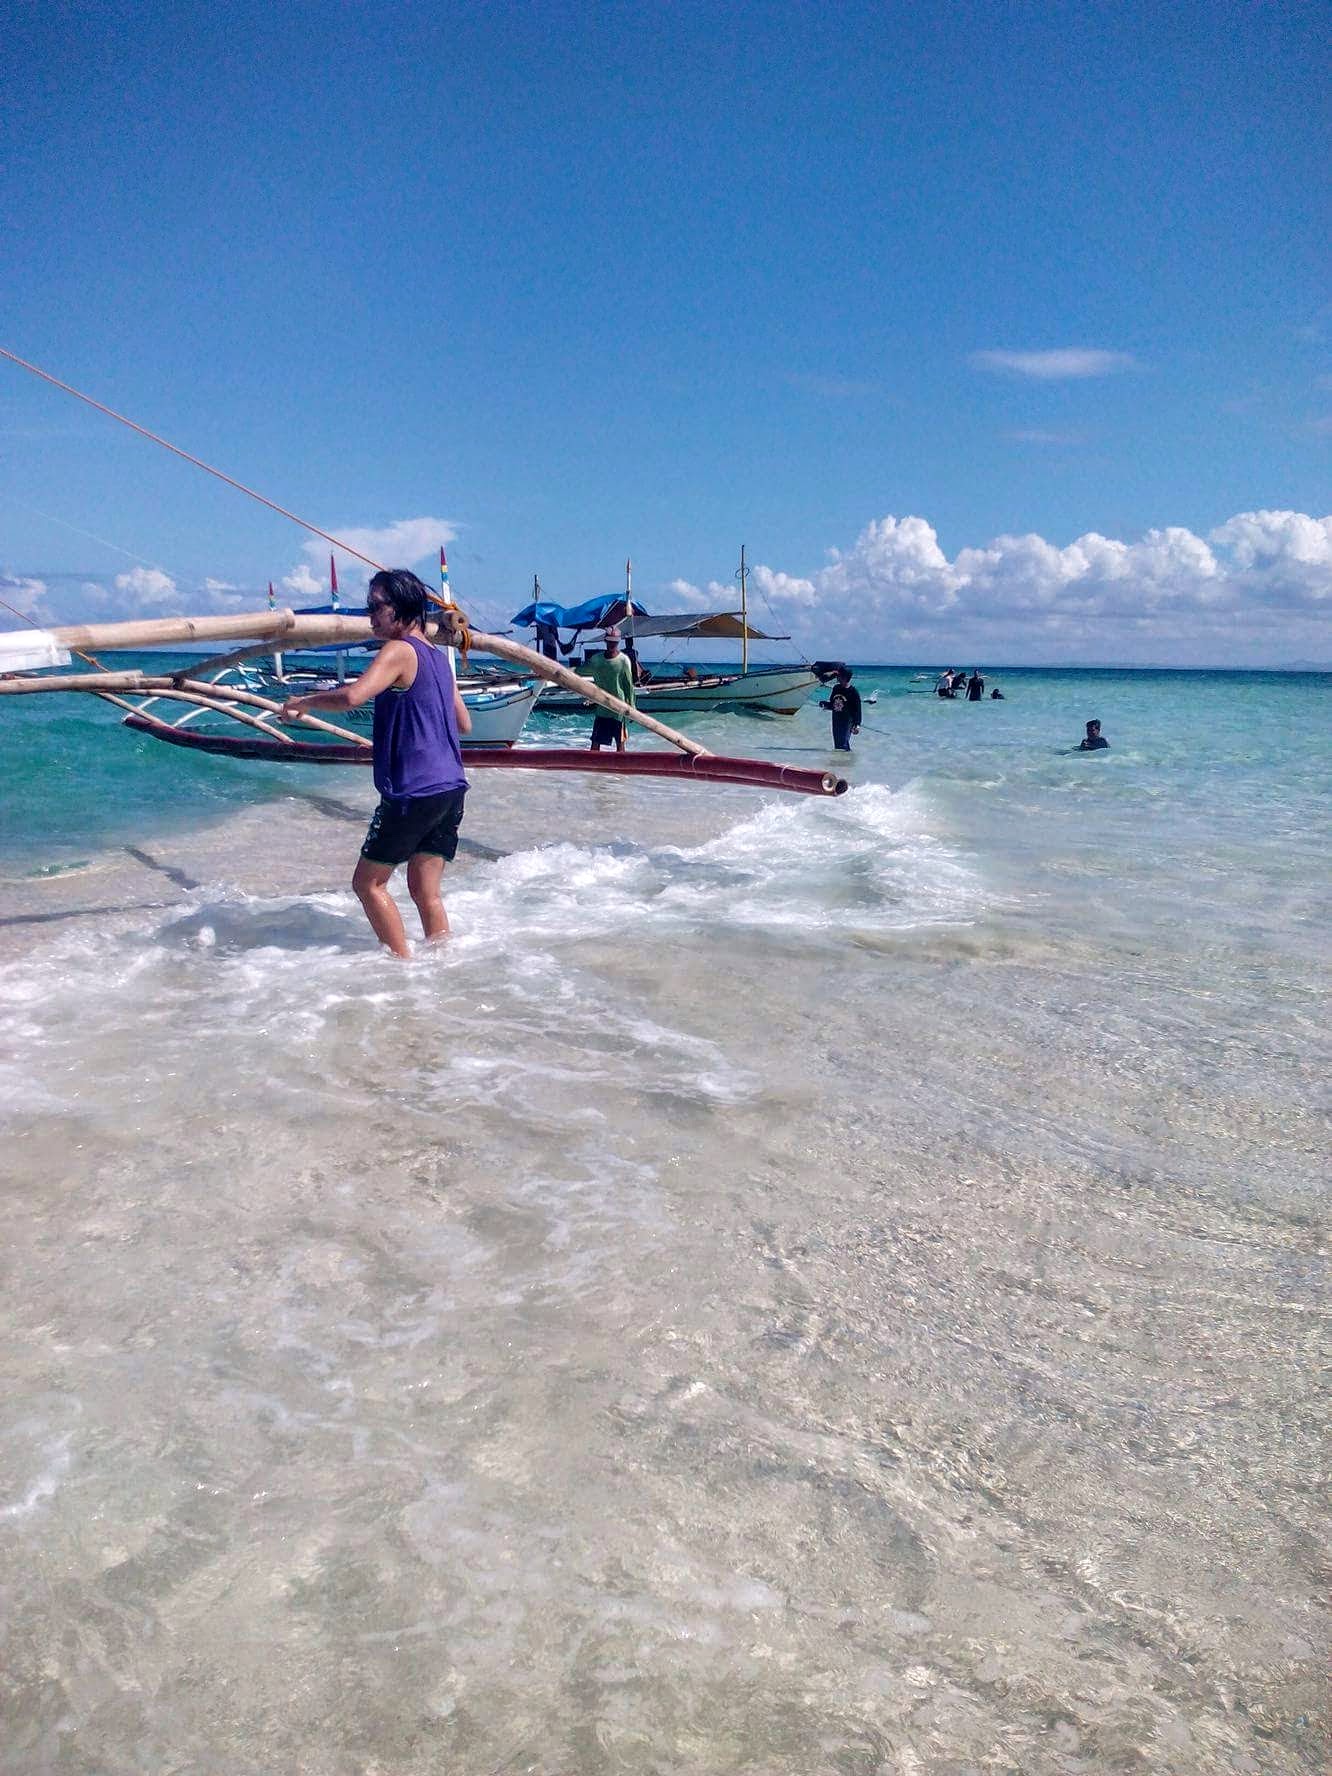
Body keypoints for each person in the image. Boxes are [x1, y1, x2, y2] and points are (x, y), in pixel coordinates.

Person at [280, 568, 471, 958]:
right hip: (451, 788)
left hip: (414, 792)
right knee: (425, 891)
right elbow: (464, 723)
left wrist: (304, 703)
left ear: (402, 608)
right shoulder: (437, 658)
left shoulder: (399, 650)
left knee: (368, 885)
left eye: (375, 607)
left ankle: (400, 972)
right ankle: (445, 966)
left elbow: (353, 697)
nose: (369, 616)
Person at [578, 625, 636, 751]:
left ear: (618, 642)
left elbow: (628, 686)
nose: (612, 645)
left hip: (618, 709)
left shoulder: (623, 660)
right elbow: (580, 671)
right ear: (605, 641)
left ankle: (622, 769)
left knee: (620, 744)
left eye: (615, 643)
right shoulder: (596, 659)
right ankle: (592, 769)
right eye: (610, 642)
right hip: (602, 708)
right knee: (595, 743)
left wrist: (632, 708)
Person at [828, 666, 862, 751]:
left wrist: (857, 724)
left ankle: (847, 759)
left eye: (839, 676)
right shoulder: (836, 688)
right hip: (836, 719)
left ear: (845, 677)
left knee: (844, 743)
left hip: (847, 721)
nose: (837, 678)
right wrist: (825, 705)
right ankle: (840, 762)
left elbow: (858, 710)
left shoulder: (853, 692)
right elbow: (833, 703)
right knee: (837, 743)